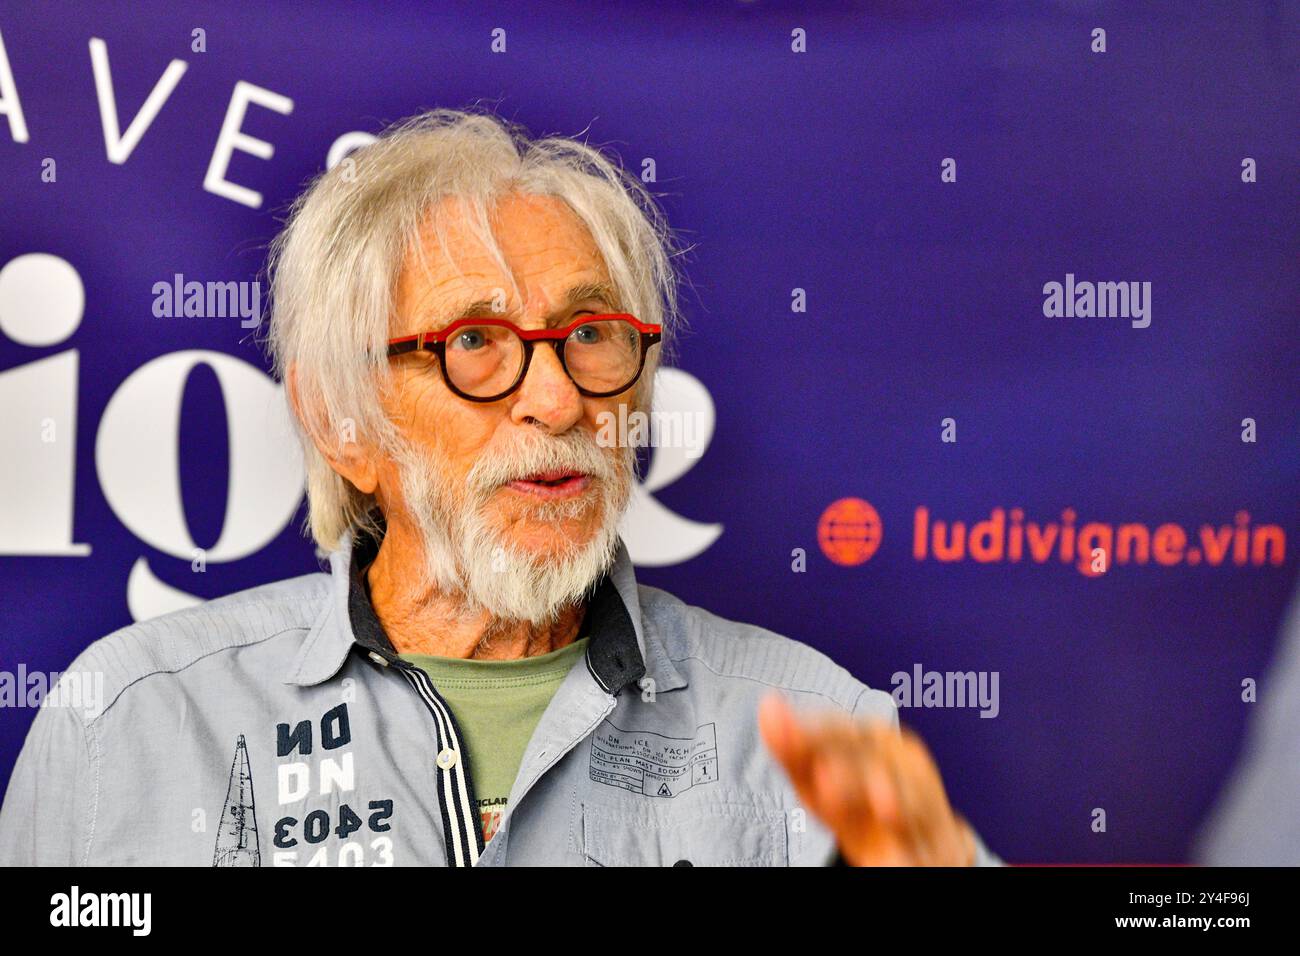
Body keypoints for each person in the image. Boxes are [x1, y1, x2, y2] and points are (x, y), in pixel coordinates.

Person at [0, 109, 997, 867]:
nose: (559, 398)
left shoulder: (813, 731)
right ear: (343, 420)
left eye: (589, 334)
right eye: (476, 342)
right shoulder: (127, 723)